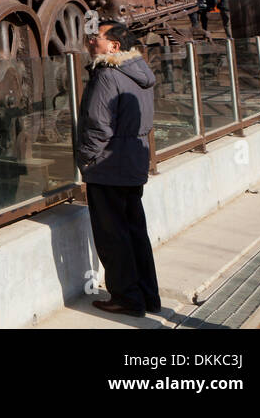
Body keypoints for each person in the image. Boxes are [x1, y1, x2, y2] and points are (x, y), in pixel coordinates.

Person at [77, 21, 160, 317]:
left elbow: (97, 125)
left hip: (108, 166)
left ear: (113, 46)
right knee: (135, 232)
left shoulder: (107, 75)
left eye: (95, 37)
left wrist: (86, 160)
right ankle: (148, 297)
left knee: (113, 237)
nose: (90, 42)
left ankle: (126, 299)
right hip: (132, 163)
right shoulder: (139, 74)